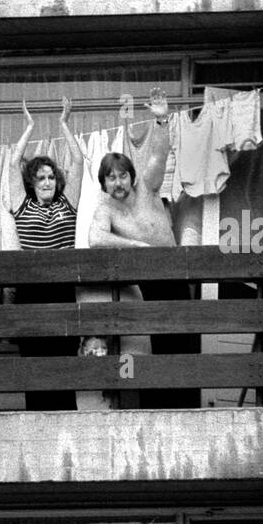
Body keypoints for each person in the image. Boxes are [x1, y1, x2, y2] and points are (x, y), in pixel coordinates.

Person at [82, 88, 175, 399]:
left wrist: (161, 121)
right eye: (111, 178)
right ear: (104, 183)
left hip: (175, 275)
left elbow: (159, 155)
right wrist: (136, 246)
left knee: (183, 346)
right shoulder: (105, 208)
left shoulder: (148, 188)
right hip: (144, 284)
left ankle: (183, 405)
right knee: (153, 352)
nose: (118, 182)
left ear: (131, 177)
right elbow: (95, 238)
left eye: (122, 176)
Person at [10, 96, 86, 410]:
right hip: (30, 293)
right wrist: (29, 127)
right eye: (40, 177)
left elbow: (79, 162)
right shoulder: (22, 205)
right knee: (34, 365)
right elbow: (14, 162)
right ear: (31, 182)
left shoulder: (67, 205)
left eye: (51, 177)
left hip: (62, 291)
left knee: (63, 363)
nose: (47, 182)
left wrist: (63, 124)